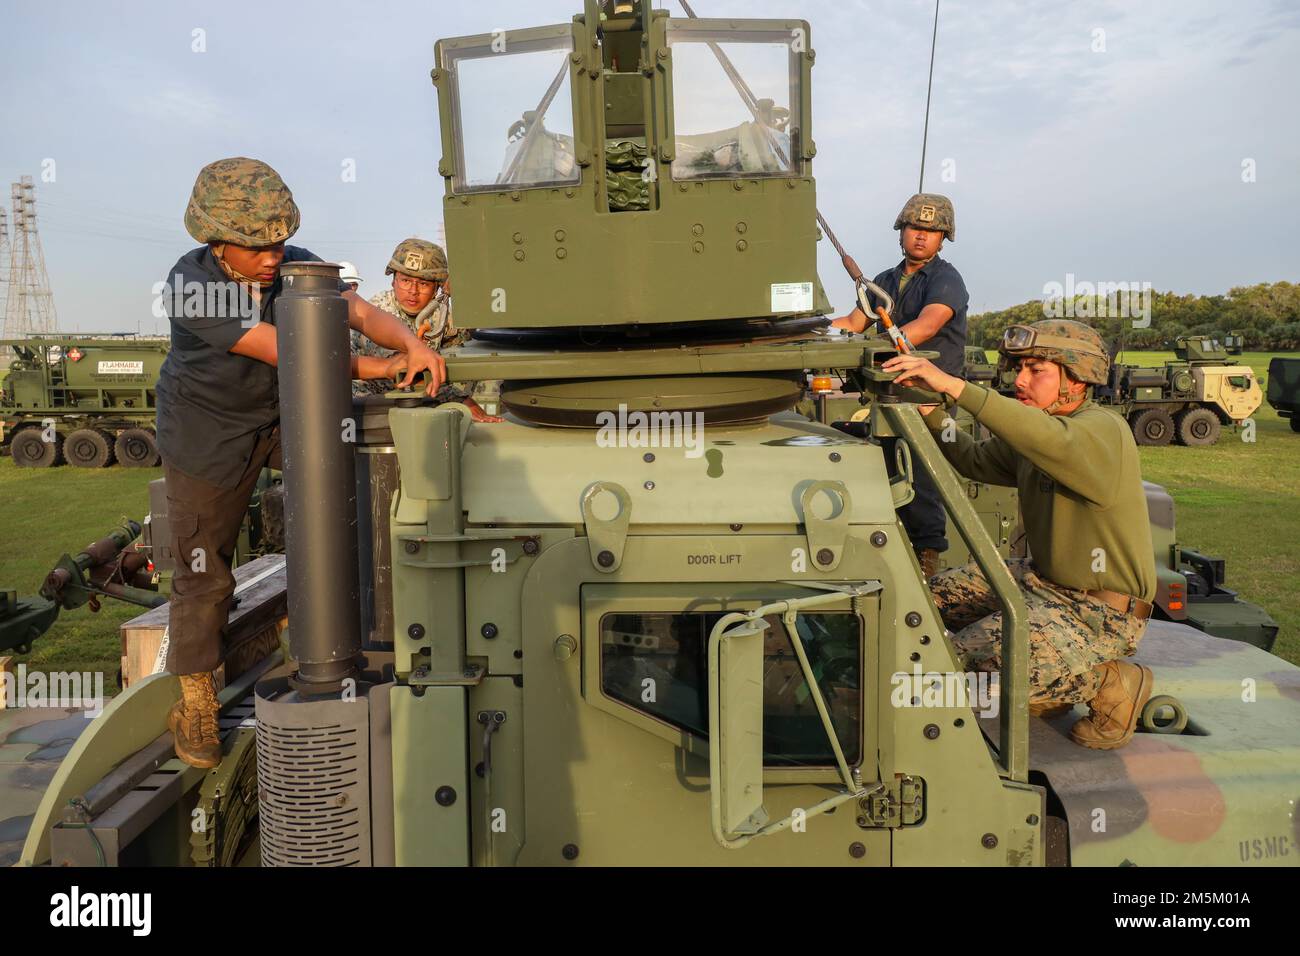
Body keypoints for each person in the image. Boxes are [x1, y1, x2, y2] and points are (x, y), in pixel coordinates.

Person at [157, 157, 449, 769]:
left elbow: (355, 311)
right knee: (203, 568)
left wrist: (411, 342)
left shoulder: (290, 263)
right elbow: (293, 350)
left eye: (278, 241)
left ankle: (355, 631)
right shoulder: (192, 286)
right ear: (215, 242)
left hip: (288, 413)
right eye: (255, 245)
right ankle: (194, 698)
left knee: (354, 502)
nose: (272, 256)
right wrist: (381, 367)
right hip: (208, 432)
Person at [882, 319, 1157, 750]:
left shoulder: (1103, 430)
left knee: (961, 667)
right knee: (923, 604)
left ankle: (1107, 683)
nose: (1020, 381)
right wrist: (933, 414)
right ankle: (1047, 676)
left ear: (1076, 378)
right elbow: (973, 459)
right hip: (1039, 582)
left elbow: (1053, 441)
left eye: (1036, 370)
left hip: (1100, 612)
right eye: (1019, 369)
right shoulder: (1038, 428)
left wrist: (956, 388)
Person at [833, 193, 968, 578]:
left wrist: (875, 345)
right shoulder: (886, 281)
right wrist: (810, 332)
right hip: (887, 397)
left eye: (932, 230)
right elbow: (852, 322)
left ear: (943, 238)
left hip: (927, 398)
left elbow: (927, 325)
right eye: (916, 228)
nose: (922, 236)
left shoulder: (945, 280)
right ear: (902, 231)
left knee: (921, 479)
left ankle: (928, 564)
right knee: (877, 467)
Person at [351, 237, 498, 420]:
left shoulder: (442, 316)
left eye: (423, 284)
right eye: (405, 280)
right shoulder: (380, 310)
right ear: (393, 281)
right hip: (370, 402)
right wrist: (460, 400)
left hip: (422, 399)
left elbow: (464, 355)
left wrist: (463, 400)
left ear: (437, 287)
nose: (413, 291)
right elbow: (403, 376)